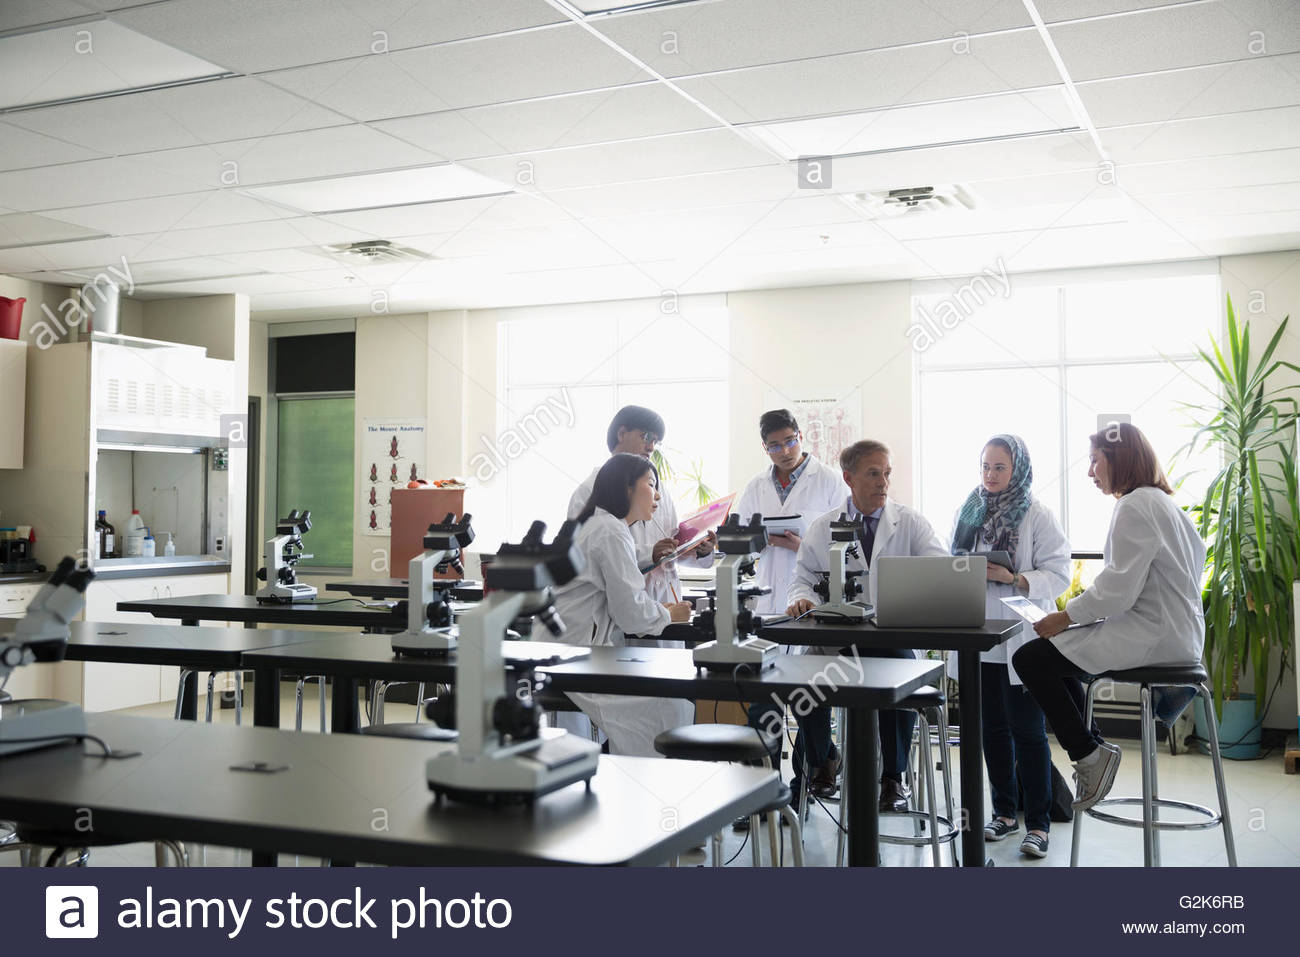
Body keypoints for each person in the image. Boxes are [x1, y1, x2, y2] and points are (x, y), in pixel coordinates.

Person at [1014, 423, 1207, 812]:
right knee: (1056, 656)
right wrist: (1072, 621)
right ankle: (1095, 747)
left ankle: (1089, 754)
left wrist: (1065, 617)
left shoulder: (1135, 505)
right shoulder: (1165, 503)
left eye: (1094, 461)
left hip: (1155, 635)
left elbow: (1119, 591)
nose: (1090, 472)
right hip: (1178, 633)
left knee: (1030, 658)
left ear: (1117, 458)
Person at [785, 440, 948, 811]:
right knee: (802, 677)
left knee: (895, 673)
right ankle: (824, 758)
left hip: (893, 640)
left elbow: (940, 571)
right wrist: (802, 598)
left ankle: (893, 778)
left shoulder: (910, 522)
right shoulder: (824, 526)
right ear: (848, 478)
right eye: (873, 473)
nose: (883, 482)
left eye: (887, 473)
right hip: (840, 645)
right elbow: (802, 576)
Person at [948, 434, 1070, 858]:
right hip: (978, 633)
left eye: (1000, 467)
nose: (991, 475)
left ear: (1016, 468)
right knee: (990, 730)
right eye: (985, 467)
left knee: (1028, 731)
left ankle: (1038, 823)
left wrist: (1014, 578)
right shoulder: (969, 512)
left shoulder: (1037, 514)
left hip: (1022, 637)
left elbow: (1059, 574)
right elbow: (951, 561)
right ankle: (1003, 813)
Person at [552, 453, 695, 756]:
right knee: (668, 702)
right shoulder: (610, 530)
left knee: (668, 695)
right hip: (574, 655)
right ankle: (648, 785)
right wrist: (668, 613)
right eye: (651, 484)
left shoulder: (605, 526)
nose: (657, 495)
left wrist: (659, 612)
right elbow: (631, 614)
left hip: (579, 649)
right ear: (627, 487)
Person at [735, 410, 843, 789]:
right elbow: (737, 540)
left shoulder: (829, 482)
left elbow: (847, 545)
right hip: (766, 606)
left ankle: (805, 785)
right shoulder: (754, 487)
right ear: (764, 447)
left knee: (807, 697)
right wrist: (755, 543)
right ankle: (759, 789)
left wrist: (804, 547)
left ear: (801, 436)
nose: (784, 451)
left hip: (810, 604)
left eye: (790, 440)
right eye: (775, 445)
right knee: (764, 700)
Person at [568, 406, 715, 630]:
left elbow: (672, 542)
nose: (651, 446)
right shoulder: (590, 491)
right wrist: (650, 553)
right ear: (621, 434)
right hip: (626, 609)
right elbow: (591, 556)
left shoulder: (656, 487)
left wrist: (697, 549)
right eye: (646, 436)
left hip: (664, 600)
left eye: (656, 441)